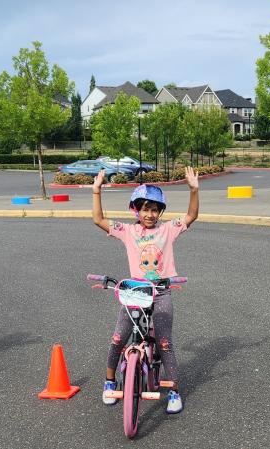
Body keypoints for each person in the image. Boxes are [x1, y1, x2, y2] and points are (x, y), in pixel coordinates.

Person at [91, 167, 200, 414]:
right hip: (136, 292)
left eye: (154, 209)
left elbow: (191, 216)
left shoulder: (167, 230)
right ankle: (110, 381)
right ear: (136, 210)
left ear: (160, 212)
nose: (149, 214)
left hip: (161, 291)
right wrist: (96, 190)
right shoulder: (129, 231)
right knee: (118, 339)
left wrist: (194, 190)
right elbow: (98, 220)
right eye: (144, 209)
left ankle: (173, 391)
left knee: (164, 343)